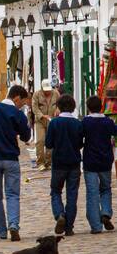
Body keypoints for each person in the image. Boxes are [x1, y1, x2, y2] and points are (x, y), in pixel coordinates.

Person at [0, 84, 31, 241]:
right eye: (22, 103)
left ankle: (1, 232)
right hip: (11, 158)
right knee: (12, 194)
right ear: (16, 98)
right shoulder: (17, 115)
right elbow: (26, 136)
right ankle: (13, 225)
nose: (21, 106)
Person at [45, 94, 83, 237]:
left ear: (58, 107)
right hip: (74, 164)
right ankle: (69, 227)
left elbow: (48, 144)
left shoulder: (54, 123)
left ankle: (59, 214)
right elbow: (80, 143)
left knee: (56, 191)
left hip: (59, 163)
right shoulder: (78, 123)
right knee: (72, 195)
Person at [81, 95, 117, 233]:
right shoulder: (107, 122)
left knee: (92, 193)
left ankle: (96, 225)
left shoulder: (85, 122)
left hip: (90, 161)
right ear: (101, 107)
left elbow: (79, 137)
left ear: (88, 108)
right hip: (105, 160)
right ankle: (106, 213)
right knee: (106, 189)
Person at [31, 80, 61, 171]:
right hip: (40, 121)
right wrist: (41, 115)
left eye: (49, 90)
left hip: (52, 120)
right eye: (45, 90)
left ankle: (49, 162)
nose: (47, 92)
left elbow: (59, 103)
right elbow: (34, 107)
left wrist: (58, 109)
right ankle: (40, 162)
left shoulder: (56, 93)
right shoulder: (36, 95)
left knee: (51, 141)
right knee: (40, 140)